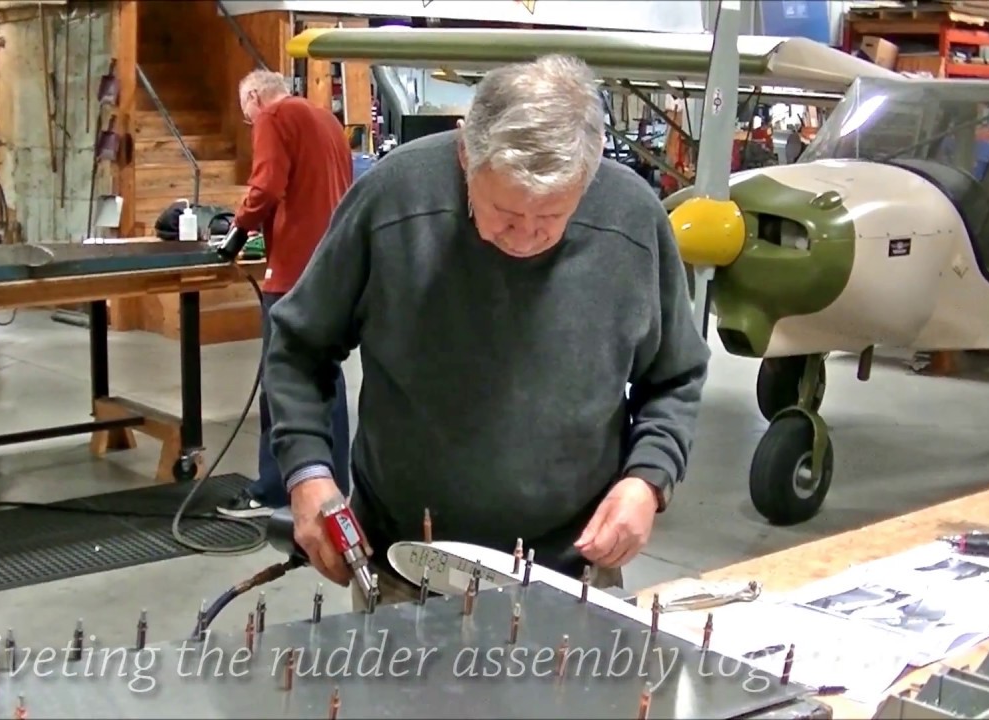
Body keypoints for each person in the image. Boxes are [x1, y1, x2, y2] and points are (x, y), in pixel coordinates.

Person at [263, 55, 711, 607]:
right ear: (463, 152)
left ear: (589, 178)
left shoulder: (633, 221)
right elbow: (299, 347)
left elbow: (675, 377)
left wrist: (647, 479)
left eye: (550, 219)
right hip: (404, 571)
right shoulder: (393, 200)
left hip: (570, 574)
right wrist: (307, 474)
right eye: (503, 211)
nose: (524, 237)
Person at [215, 69, 353, 519]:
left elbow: (267, 185)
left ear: (255, 97)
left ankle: (273, 488)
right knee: (324, 376)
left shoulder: (275, 116)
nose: (252, 122)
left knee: (282, 379)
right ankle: (335, 483)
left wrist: (235, 235)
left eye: (247, 114)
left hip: (291, 272)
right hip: (332, 266)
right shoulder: (328, 121)